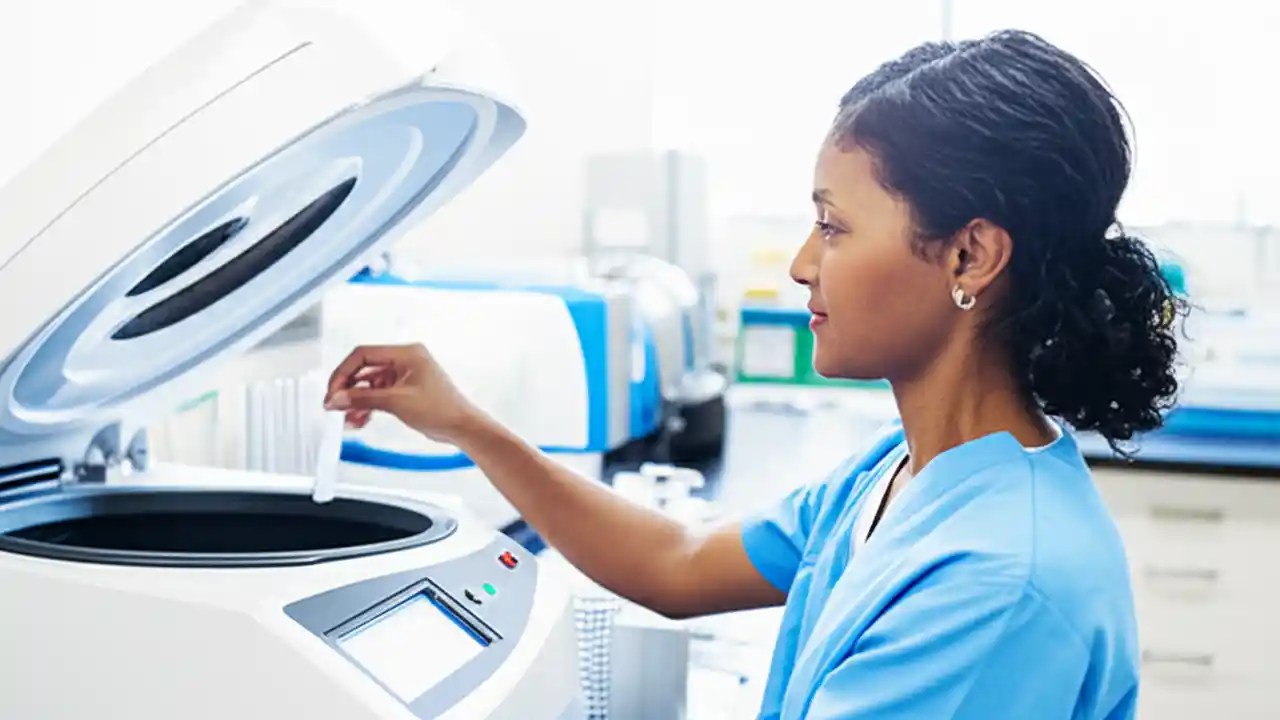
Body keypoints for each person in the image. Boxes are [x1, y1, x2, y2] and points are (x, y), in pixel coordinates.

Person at [325, 30, 1185, 720]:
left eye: (833, 227)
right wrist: (465, 424)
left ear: (970, 255)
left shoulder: (998, 587)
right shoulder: (903, 474)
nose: (803, 265)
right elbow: (678, 562)